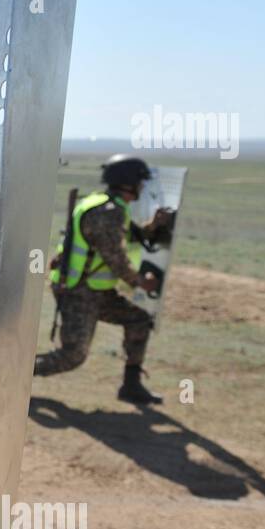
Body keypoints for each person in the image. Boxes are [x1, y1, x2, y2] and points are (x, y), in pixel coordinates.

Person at [33, 154, 170, 405]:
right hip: (79, 292)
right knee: (73, 356)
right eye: (139, 181)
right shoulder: (108, 212)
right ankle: (12, 372)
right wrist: (141, 282)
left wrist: (153, 225)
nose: (142, 187)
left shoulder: (106, 205)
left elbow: (127, 237)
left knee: (139, 319)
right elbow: (115, 258)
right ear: (128, 183)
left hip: (96, 291)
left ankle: (131, 386)